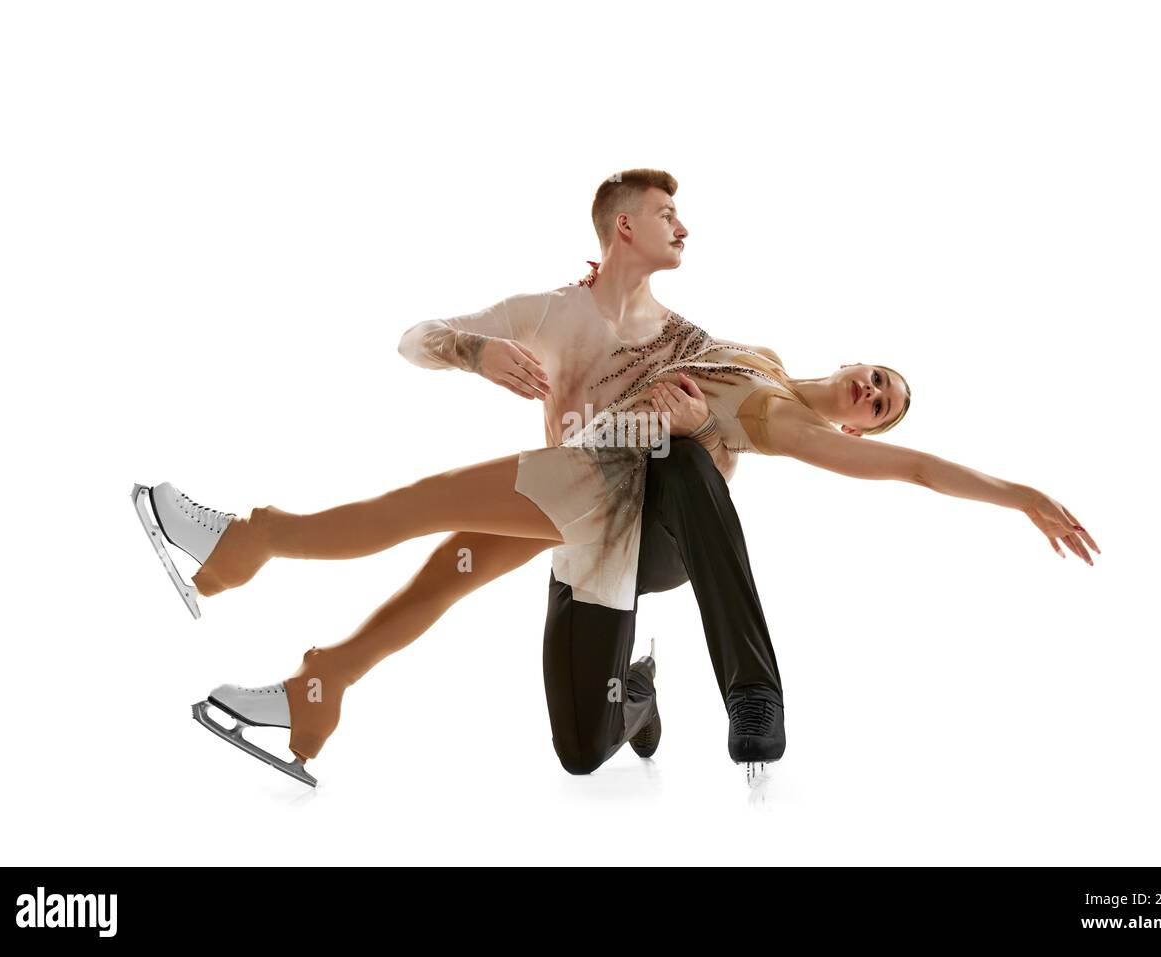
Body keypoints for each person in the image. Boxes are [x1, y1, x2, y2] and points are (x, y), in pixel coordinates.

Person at [154, 307, 1096, 786]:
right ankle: (324, 689)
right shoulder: (760, 359)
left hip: (604, 499)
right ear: (858, 359)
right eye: (878, 378)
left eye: (880, 408)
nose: (872, 393)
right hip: (593, 478)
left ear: (859, 430)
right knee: (450, 569)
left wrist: (1023, 496)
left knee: (418, 507)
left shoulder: (787, 422)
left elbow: (918, 472)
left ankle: (243, 543)